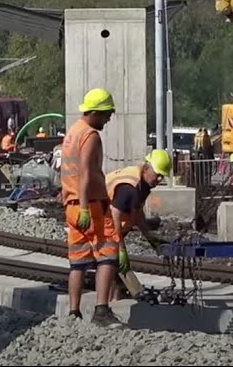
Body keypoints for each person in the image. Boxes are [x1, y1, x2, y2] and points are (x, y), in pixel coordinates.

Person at [58, 87, 122, 327]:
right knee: (108, 254)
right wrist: (86, 207)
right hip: (91, 205)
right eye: (106, 114)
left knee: (78, 260)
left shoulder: (72, 133)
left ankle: (74, 313)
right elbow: (86, 173)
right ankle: (101, 311)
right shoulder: (90, 136)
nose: (108, 119)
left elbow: (68, 172)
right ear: (94, 112)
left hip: (72, 205)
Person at [103, 149, 171, 298]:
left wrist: (150, 236)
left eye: (162, 176)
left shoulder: (143, 184)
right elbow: (115, 214)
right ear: (147, 168)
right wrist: (121, 247)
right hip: (102, 222)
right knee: (111, 262)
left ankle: (116, 296)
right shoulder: (130, 188)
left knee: (113, 265)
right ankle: (110, 301)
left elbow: (137, 213)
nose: (159, 179)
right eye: (157, 174)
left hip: (111, 224)